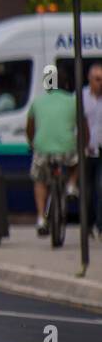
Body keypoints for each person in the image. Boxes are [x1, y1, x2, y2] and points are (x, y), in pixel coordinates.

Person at [26, 73, 85, 236]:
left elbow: (30, 128)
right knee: (77, 161)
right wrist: (83, 146)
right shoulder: (73, 101)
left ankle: (40, 218)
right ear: (67, 85)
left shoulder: (38, 101)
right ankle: (72, 185)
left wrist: (32, 143)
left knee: (39, 180)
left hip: (43, 149)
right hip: (67, 148)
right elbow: (83, 127)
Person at [82, 62, 102, 238]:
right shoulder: (81, 98)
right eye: (97, 79)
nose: (100, 83)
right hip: (86, 151)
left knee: (101, 187)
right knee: (87, 190)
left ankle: (100, 226)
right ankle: (87, 225)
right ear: (90, 79)